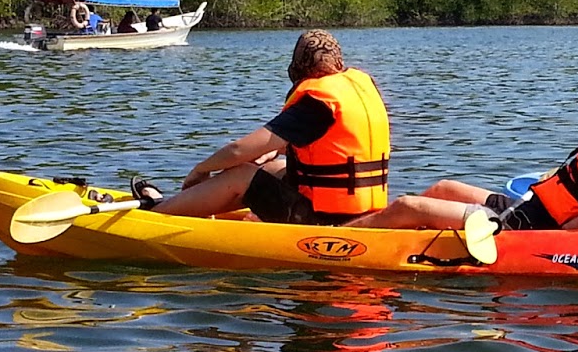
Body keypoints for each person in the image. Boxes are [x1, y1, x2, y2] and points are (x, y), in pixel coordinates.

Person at [348, 67, 578, 232]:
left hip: (529, 227)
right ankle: (404, 239)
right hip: (529, 207)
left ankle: (335, 240)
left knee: (409, 205)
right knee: (444, 188)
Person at [138, 30, 391, 224]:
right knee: (273, 168)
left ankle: (156, 213)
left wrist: (200, 170)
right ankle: (190, 207)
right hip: (361, 210)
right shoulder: (360, 86)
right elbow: (335, 145)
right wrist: (280, 149)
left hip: (324, 222)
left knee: (242, 174)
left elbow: (238, 151)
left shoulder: (317, 102)